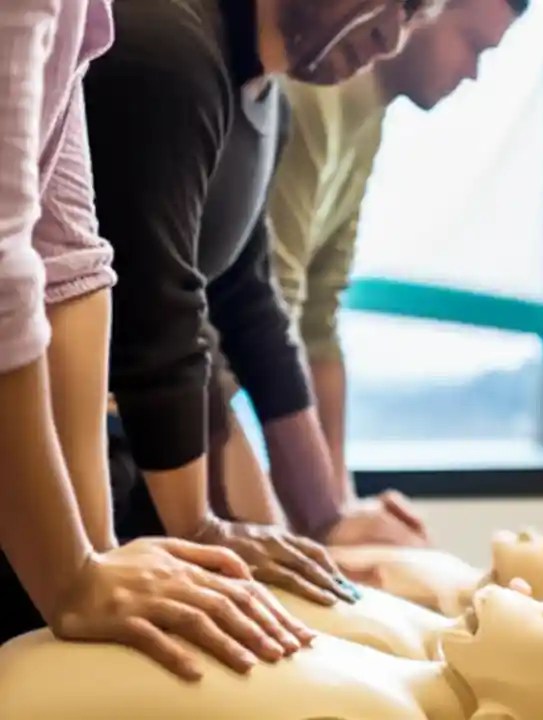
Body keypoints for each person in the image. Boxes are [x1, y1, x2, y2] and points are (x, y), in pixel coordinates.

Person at [0, 0, 326, 680]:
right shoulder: (170, 55)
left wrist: (101, 555)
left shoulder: (83, 13)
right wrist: (72, 579)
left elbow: (71, 256)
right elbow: (8, 274)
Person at [213, 0, 525, 529]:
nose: (473, 73)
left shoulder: (366, 117)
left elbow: (319, 324)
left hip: (214, 396)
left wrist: (341, 508)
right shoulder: (311, 98)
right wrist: (317, 533)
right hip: (184, 405)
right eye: (472, 45)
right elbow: (256, 327)